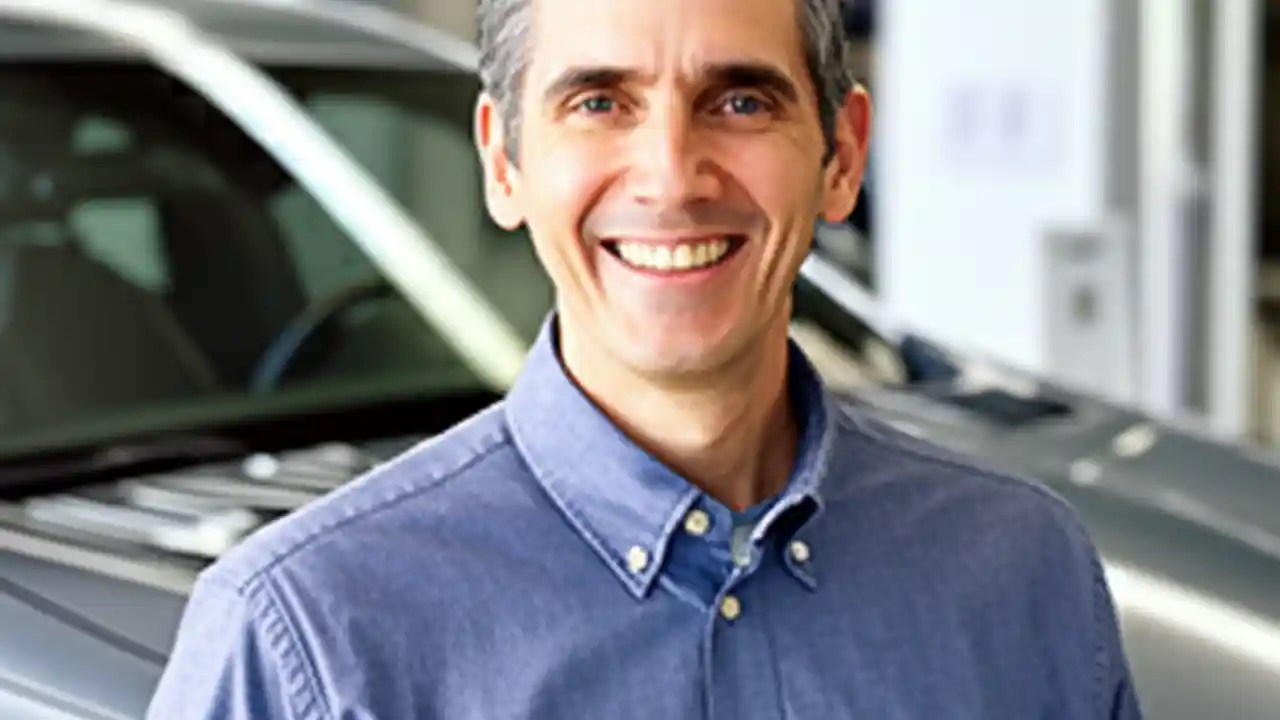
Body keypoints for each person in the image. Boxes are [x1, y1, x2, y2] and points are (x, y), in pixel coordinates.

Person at [148, 0, 1143, 717]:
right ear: (503, 162)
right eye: (598, 102)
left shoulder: (1023, 574)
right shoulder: (306, 636)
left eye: (740, 101)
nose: (670, 177)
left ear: (839, 157)